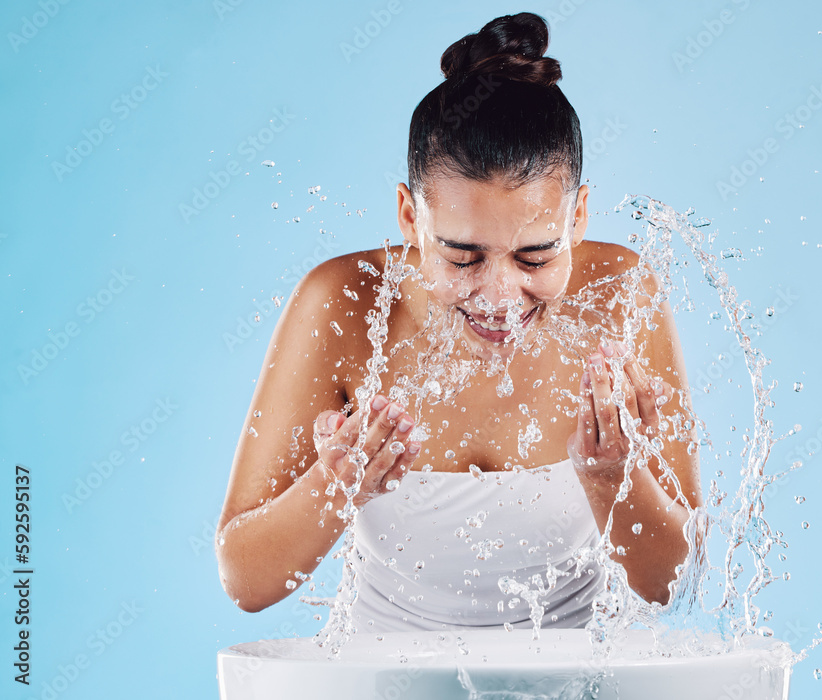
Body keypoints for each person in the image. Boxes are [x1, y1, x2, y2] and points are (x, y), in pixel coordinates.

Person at [216, 12, 702, 632]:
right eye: (461, 256)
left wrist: (611, 481)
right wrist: (336, 487)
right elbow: (245, 580)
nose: (500, 296)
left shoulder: (619, 297)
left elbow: (674, 583)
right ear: (409, 217)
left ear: (577, 217)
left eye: (536, 255)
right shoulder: (345, 305)